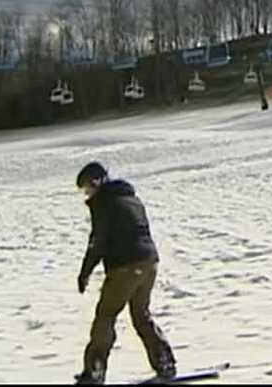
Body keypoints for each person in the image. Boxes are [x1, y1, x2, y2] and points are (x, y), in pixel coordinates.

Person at [75, 162, 176, 385]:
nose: (87, 194)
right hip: (148, 262)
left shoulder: (104, 203)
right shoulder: (131, 198)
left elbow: (98, 242)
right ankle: (165, 362)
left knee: (105, 317)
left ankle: (95, 371)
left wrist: (85, 273)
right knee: (141, 315)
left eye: (86, 188)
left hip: (125, 266)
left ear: (97, 181)